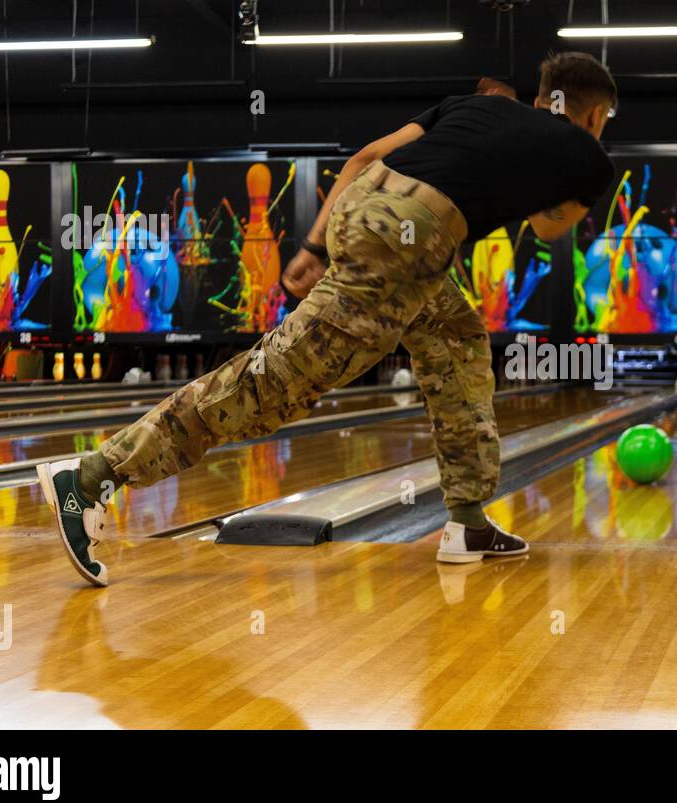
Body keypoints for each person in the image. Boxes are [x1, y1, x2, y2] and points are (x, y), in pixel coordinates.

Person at [37, 52, 618, 586]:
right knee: (277, 382)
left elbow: (366, 158)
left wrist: (315, 245)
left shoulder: (478, 105)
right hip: (406, 240)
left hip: (369, 214)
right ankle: (90, 478)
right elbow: (547, 228)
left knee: (457, 345)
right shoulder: (587, 154)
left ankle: (468, 520)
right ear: (593, 115)